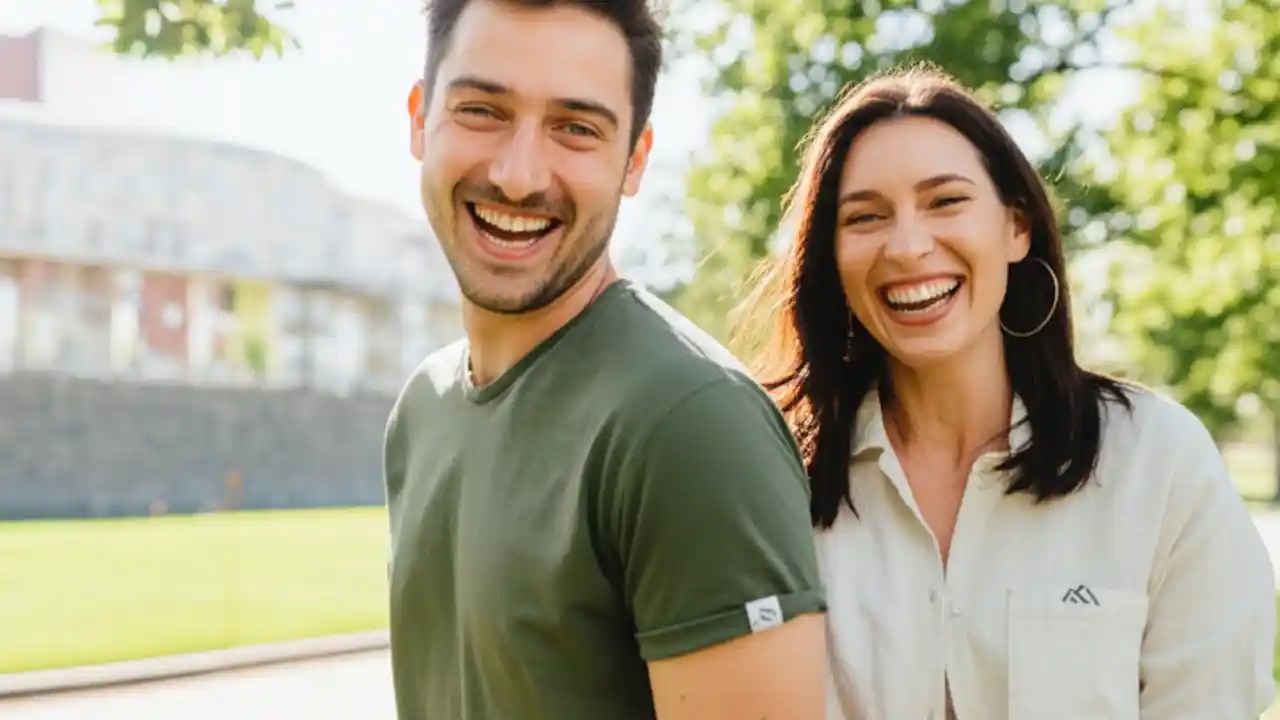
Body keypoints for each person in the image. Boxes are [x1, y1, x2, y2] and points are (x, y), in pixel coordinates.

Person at [738, 66, 1277, 719]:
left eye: (946, 201)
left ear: (1015, 227)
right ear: (832, 256)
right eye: (866, 217)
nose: (907, 246)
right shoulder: (766, 481)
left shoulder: (1159, 464)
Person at [381, 1, 827, 718]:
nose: (519, 175)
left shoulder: (690, 423)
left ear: (634, 161)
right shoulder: (423, 408)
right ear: (418, 119)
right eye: (482, 111)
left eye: (576, 129)